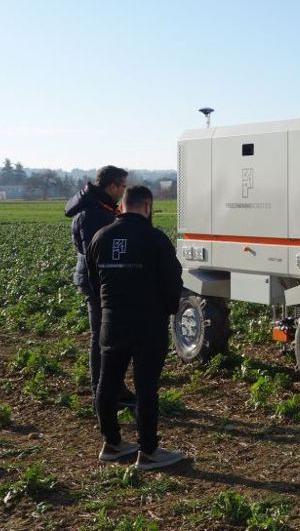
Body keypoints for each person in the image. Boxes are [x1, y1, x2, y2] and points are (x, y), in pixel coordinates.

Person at [88, 186, 185, 469]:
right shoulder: (155, 240)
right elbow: (172, 284)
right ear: (147, 206)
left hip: (111, 321)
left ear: (122, 206)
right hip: (147, 325)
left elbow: (95, 284)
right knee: (146, 389)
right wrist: (168, 309)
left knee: (107, 383)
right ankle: (149, 451)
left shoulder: (100, 237)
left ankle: (112, 443)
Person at [64, 166, 135, 409]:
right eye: (123, 186)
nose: (124, 191)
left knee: (114, 337)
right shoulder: (92, 213)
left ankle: (115, 387)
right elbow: (94, 254)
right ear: (112, 186)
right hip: (96, 284)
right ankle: (101, 393)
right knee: (100, 338)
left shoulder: (102, 207)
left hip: (106, 281)